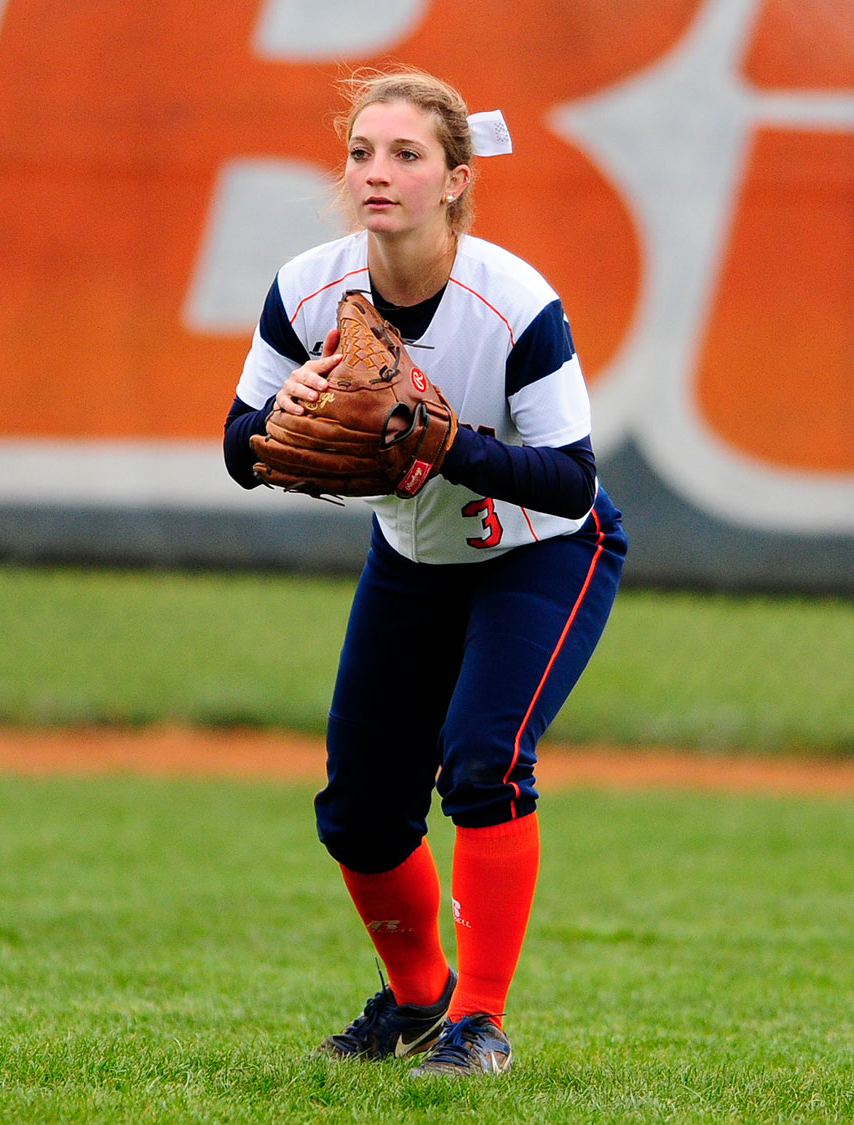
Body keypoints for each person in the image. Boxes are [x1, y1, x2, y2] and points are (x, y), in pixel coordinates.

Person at [222, 67, 627, 1078]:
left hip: (540, 551)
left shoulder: (513, 300)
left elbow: (572, 483)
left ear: (453, 179)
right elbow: (237, 447)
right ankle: (413, 1004)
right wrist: (281, 419)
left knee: (482, 764)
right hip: (412, 556)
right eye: (361, 151)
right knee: (359, 812)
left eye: (405, 154)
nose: (376, 172)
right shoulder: (307, 290)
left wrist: (440, 441)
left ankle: (479, 1024)